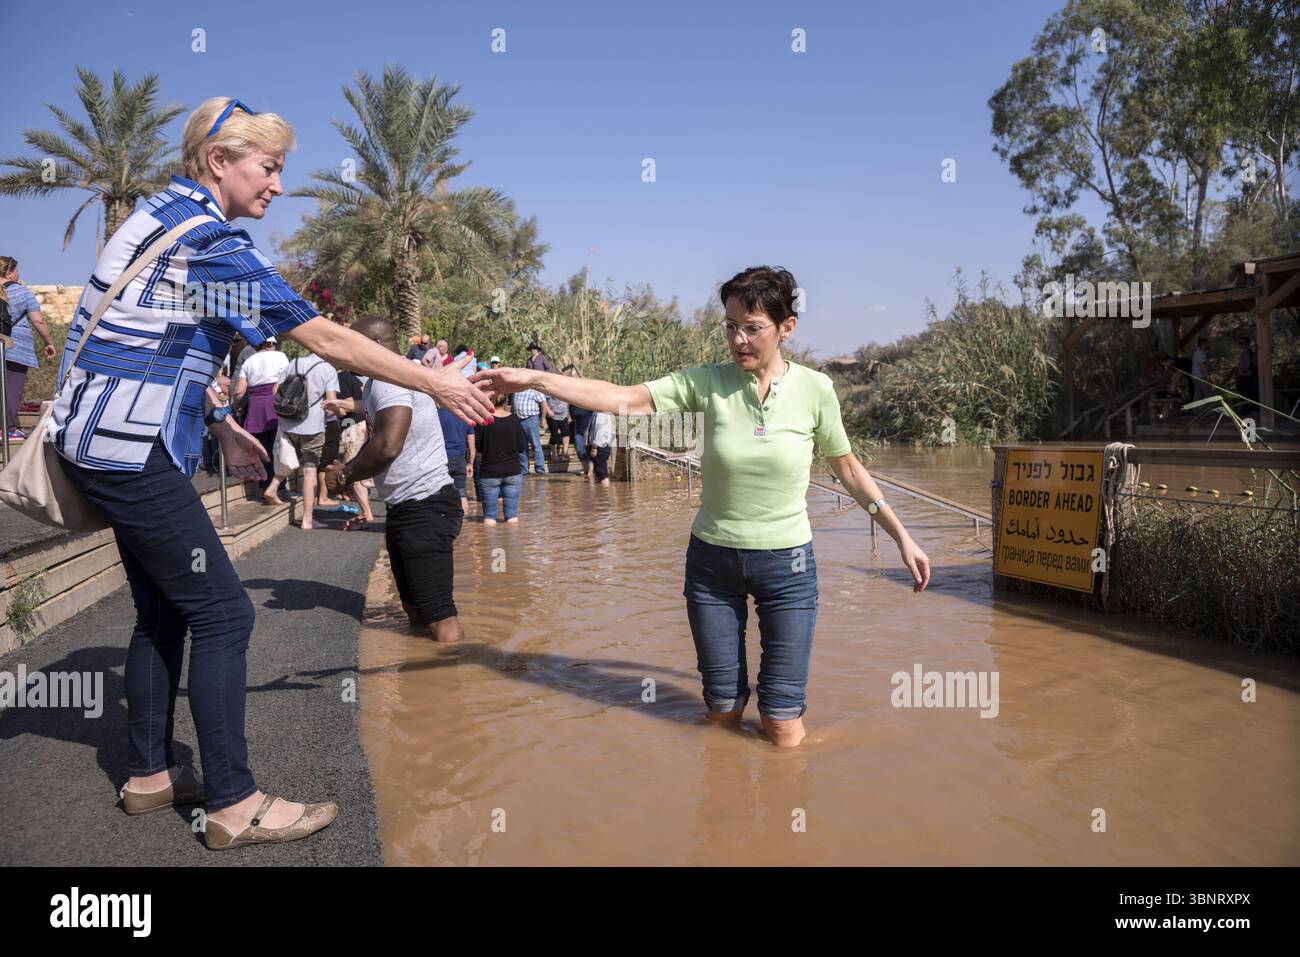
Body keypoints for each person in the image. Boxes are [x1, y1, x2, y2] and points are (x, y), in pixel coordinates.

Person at [48, 96, 495, 850]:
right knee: (225, 613)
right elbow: (320, 333)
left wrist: (223, 425)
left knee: (163, 610)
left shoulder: (163, 220)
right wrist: (437, 382)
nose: (279, 186)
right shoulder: (208, 238)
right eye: (270, 167)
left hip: (106, 439)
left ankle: (153, 774)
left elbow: (149, 339)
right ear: (219, 162)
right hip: (131, 449)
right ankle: (234, 801)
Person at [476, 265, 931, 748]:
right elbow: (623, 398)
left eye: (752, 327)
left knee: (781, 720)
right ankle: (723, 809)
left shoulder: (815, 389)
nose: (738, 339)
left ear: (786, 328)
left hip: (789, 567)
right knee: (722, 710)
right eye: (731, 326)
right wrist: (532, 379)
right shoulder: (706, 382)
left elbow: (850, 469)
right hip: (713, 564)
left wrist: (903, 537)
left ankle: (785, 811)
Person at [325, 314, 466, 643]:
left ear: (373, 345)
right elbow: (382, 424)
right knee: (414, 610)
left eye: (352, 346)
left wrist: (345, 474)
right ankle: (420, 690)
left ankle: (457, 684)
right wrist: (352, 406)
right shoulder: (384, 380)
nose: (346, 354)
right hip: (407, 506)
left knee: (440, 616)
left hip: (426, 505)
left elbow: (388, 445)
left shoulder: (390, 380)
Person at [261, 351, 338, 526]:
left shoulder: (294, 362)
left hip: (287, 423)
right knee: (310, 471)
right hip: (313, 427)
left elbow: (275, 390)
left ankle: (272, 489)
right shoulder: (328, 369)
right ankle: (307, 519)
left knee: (287, 459)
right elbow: (331, 404)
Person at [0, 257, 57, 441]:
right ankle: (7, 429)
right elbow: (38, 320)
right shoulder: (22, 292)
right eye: (17, 270)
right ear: (10, 272)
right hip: (14, 348)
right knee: (11, 388)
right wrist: (49, 343)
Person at [234, 337, 288, 492]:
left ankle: (264, 486)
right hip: (277, 404)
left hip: (256, 406)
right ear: (272, 344)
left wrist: (236, 407)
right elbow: (288, 380)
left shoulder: (249, 361)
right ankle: (280, 487)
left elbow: (239, 391)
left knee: (262, 448)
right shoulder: (281, 356)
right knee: (279, 447)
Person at [472, 391, 527, 524]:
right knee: (512, 517)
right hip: (513, 471)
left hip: (489, 472)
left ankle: (490, 542)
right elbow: (522, 446)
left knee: (490, 517)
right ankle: (513, 542)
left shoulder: (484, 420)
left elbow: (477, 446)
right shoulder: (515, 419)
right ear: (506, 401)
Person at [438, 403, 475, 513]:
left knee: (441, 494)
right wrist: (470, 464)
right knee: (462, 493)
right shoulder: (465, 417)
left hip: (442, 459)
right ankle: (464, 523)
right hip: (460, 459)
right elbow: (472, 448)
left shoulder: (437, 415)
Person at [511, 385, 551, 474]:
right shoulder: (516, 389)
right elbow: (513, 405)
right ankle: (524, 470)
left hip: (531, 419)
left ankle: (540, 469)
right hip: (518, 420)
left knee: (536, 445)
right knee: (522, 447)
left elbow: (543, 403)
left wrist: (543, 419)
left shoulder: (535, 390)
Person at [585, 408, 613, 485]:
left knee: (602, 474)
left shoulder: (600, 414)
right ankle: (603, 494)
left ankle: (605, 495)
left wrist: (594, 447)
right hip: (602, 445)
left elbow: (600, 432)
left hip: (600, 447)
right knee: (600, 473)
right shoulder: (600, 413)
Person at [1236, 336, 1258, 412]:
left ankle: (1245, 410)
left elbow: (1249, 362)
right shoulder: (1249, 351)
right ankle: (1246, 409)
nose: (1240, 344)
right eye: (1239, 343)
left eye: (1241, 343)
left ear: (1246, 343)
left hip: (1245, 376)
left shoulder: (1246, 351)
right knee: (1247, 393)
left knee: (1244, 394)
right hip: (1247, 376)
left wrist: (1244, 370)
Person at [546, 393, 571, 461]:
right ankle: (554, 454)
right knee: (554, 435)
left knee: (566, 433)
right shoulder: (549, 390)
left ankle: (565, 453)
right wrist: (548, 410)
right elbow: (544, 401)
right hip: (552, 415)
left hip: (563, 415)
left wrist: (567, 413)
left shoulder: (565, 390)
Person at [1192, 336, 1212, 401]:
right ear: (1204, 344)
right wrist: (1208, 377)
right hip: (1201, 377)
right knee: (1208, 394)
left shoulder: (1196, 352)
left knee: (1198, 394)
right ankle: (1210, 410)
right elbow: (1202, 365)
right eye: (1207, 343)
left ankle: (1195, 410)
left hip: (1195, 377)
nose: (1208, 345)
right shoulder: (1201, 352)